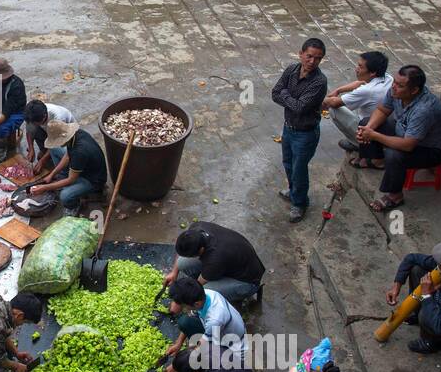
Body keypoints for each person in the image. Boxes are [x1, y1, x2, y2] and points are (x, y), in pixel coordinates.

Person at [356, 64, 441, 213]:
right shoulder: (396, 91)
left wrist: (374, 135)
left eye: (400, 85)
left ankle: (395, 196)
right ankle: (376, 161)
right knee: (365, 122)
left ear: (414, 90)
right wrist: (368, 129)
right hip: (405, 130)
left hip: (431, 149)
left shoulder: (424, 110)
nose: (394, 87)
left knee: (394, 154)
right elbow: (383, 109)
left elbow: (408, 145)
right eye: (394, 82)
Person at [273, 38, 328, 223]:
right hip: (288, 128)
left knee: (299, 169)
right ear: (301, 54)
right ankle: (294, 191)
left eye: (317, 58)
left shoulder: (319, 82)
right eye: (309, 56)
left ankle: (300, 202)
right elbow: (274, 93)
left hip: (305, 133)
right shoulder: (291, 70)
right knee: (288, 163)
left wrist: (286, 95)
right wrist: (288, 99)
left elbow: (300, 107)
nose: (312, 61)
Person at [166, 221, 265, 304]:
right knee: (182, 263)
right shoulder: (196, 228)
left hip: (247, 281)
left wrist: (179, 302)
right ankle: (215, 278)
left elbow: (197, 289)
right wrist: (174, 273)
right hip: (231, 263)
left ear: (201, 250)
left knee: (206, 292)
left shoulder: (215, 259)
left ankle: (233, 293)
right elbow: (181, 252)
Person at [324, 50, 392, 165]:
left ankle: (357, 143)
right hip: (383, 125)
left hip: (370, 127)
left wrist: (323, 99)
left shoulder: (368, 90)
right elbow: (359, 83)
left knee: (334, 110)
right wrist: (339, 90)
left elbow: (335, 103)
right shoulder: (387, 77)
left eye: (360, 67)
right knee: (353, 102)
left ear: (372, 73)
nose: (356, 69)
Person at [29, 119, 107, 216]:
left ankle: (75, 206)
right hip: (84, 167)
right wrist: (52, 174)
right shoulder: (77, 135)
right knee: (54, 149)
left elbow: (71, 179)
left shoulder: (79, 152)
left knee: (65, 196)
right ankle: (62, 178)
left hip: (93, 179)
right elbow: (67, 156)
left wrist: (44, 187)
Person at [164, 274, 246, 356]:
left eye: (183, 306)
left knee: (201, 360)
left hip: (232, 347)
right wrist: (178, 343)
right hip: (219, 330)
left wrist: (176, 366)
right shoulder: (204, 294)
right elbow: (192, 316)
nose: (182, 308)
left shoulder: (215, 319)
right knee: (184, 322)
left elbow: (200, 347)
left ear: (196, 304)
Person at [23, 99, 75, 174]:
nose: (32, 124)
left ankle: (50, 158)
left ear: (44, 117)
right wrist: (31, 149)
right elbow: (29, 131)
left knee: (60, 157)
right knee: (35, 130)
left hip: (65, 136)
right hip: (48, 131)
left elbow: (55, 144)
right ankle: (45, 151)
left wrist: (42, 161)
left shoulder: (58, 118)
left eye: (35, 123)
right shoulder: (32, 114)